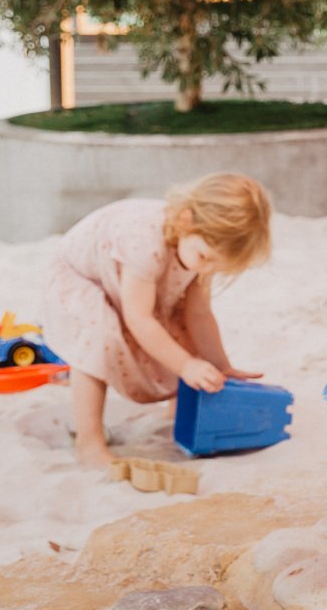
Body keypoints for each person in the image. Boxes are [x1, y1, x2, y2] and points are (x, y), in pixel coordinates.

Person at [44, 172, 272, 470]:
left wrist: (219, 364)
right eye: (206, 258)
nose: (210, 268)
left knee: (179, 329)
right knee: (98, 342)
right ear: (186, 221)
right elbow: (139, 318)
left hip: (132, 282)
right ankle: (89, 441)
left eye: (219, 264)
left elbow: (199, 315)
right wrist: (186, 365)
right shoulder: (143, 241)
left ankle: (178, 416)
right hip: (83, 278)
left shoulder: (200, 247)